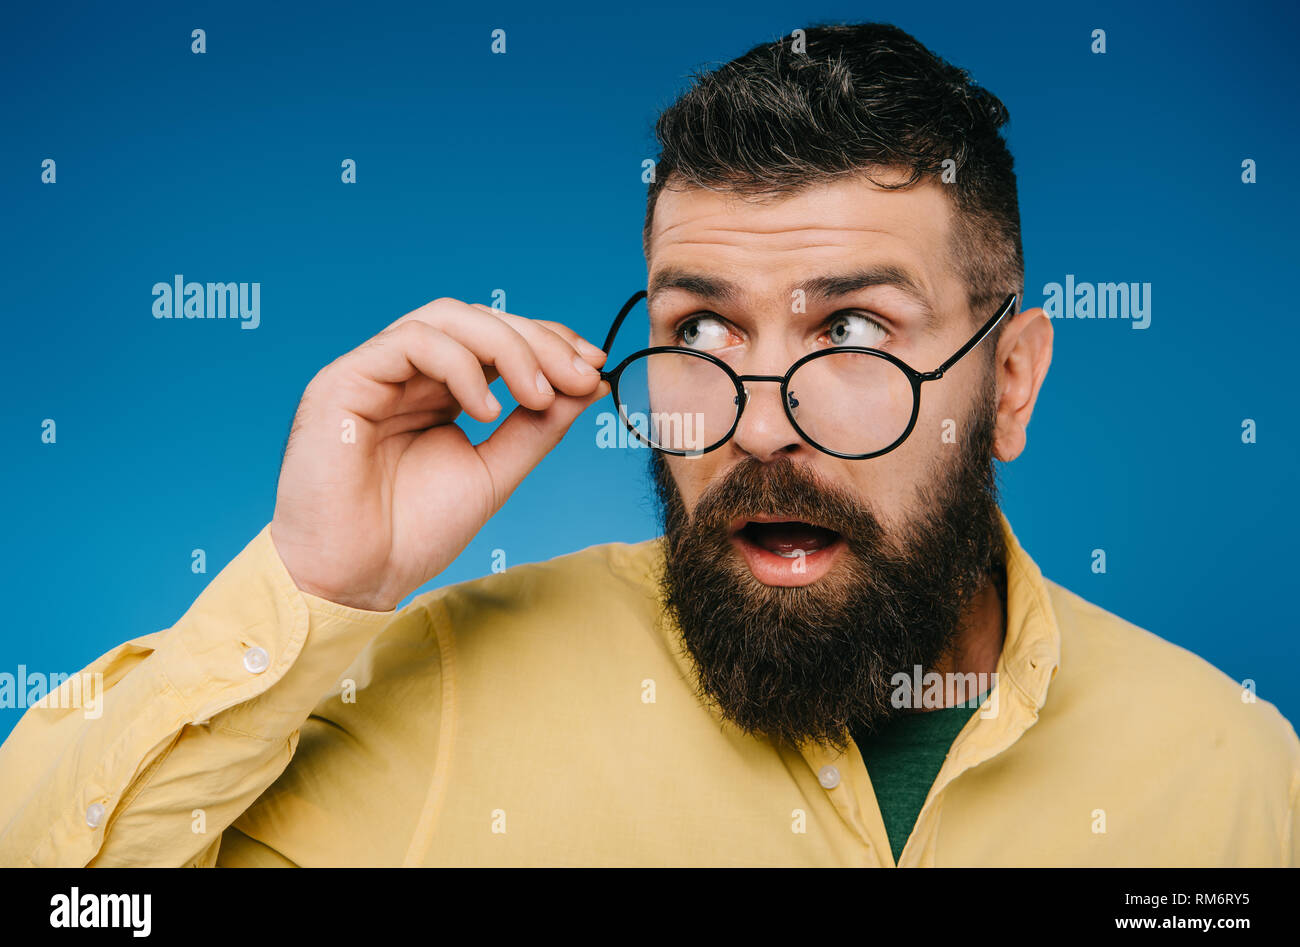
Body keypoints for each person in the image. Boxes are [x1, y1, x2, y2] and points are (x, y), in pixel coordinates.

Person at [1, 21, 1295, 867]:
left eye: (850, 327)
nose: (762, 419)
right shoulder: (430, 699)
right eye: (702, 328)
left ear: (1008, 380)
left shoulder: (1234, 769)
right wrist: (311, 584)